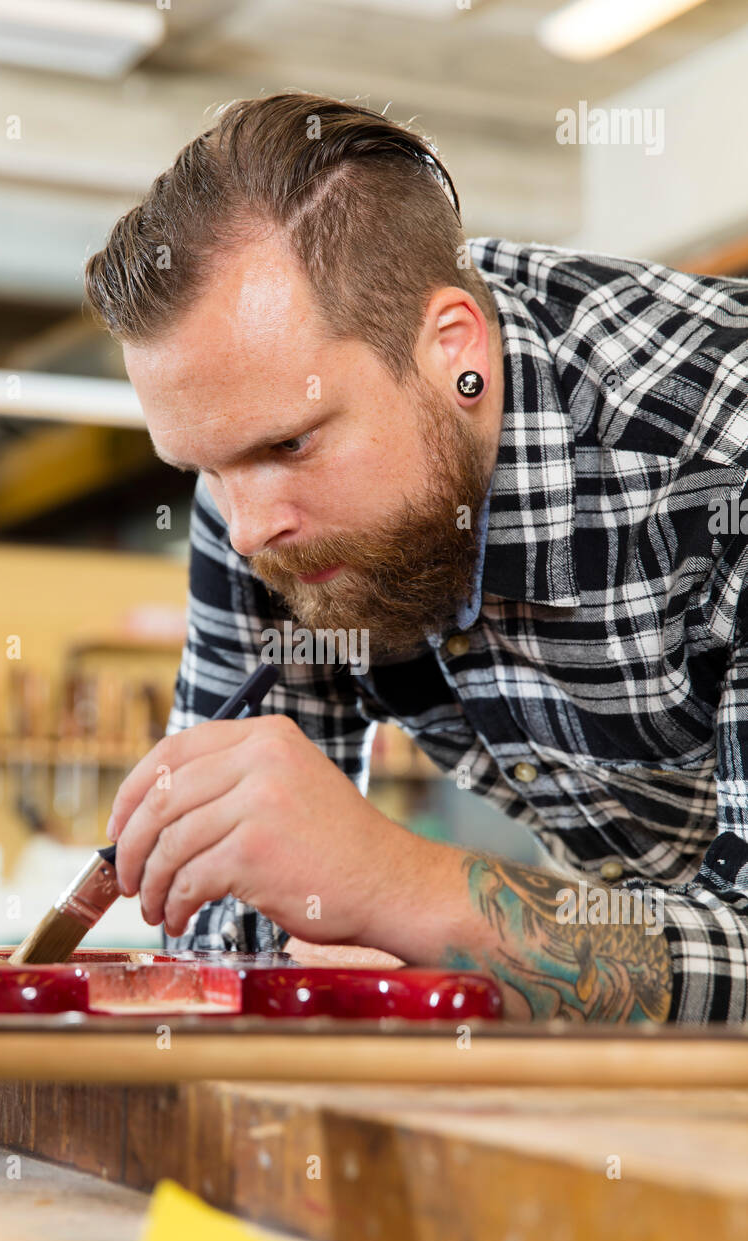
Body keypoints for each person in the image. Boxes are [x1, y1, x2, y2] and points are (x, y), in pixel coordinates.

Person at [85, 93, 748, 1025]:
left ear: (454, 354)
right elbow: (227, 942)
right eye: (205, 467)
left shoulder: (720, 455)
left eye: (289, 446)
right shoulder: (262, 484)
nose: (243, 532)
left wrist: (388, 883)